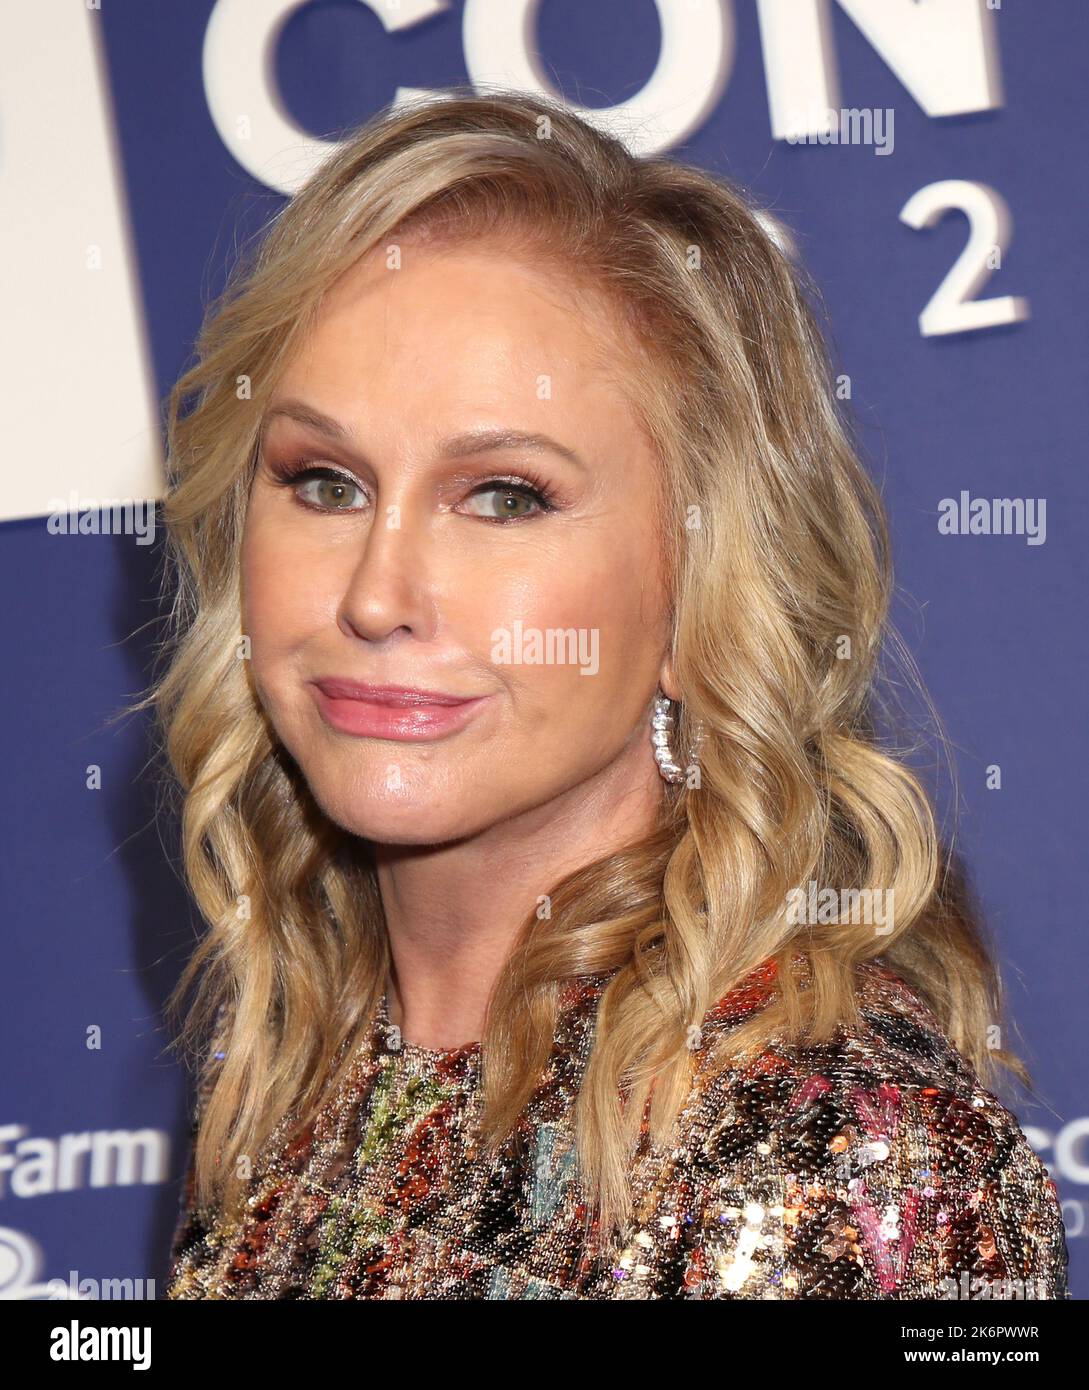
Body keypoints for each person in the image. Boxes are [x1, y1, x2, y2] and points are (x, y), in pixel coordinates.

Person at [150, 87, 1069, 1300]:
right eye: (325, 481)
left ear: (701, 591)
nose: (377, 594)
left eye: (507, 496)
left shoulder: (857, 1160)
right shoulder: (291, 1058)